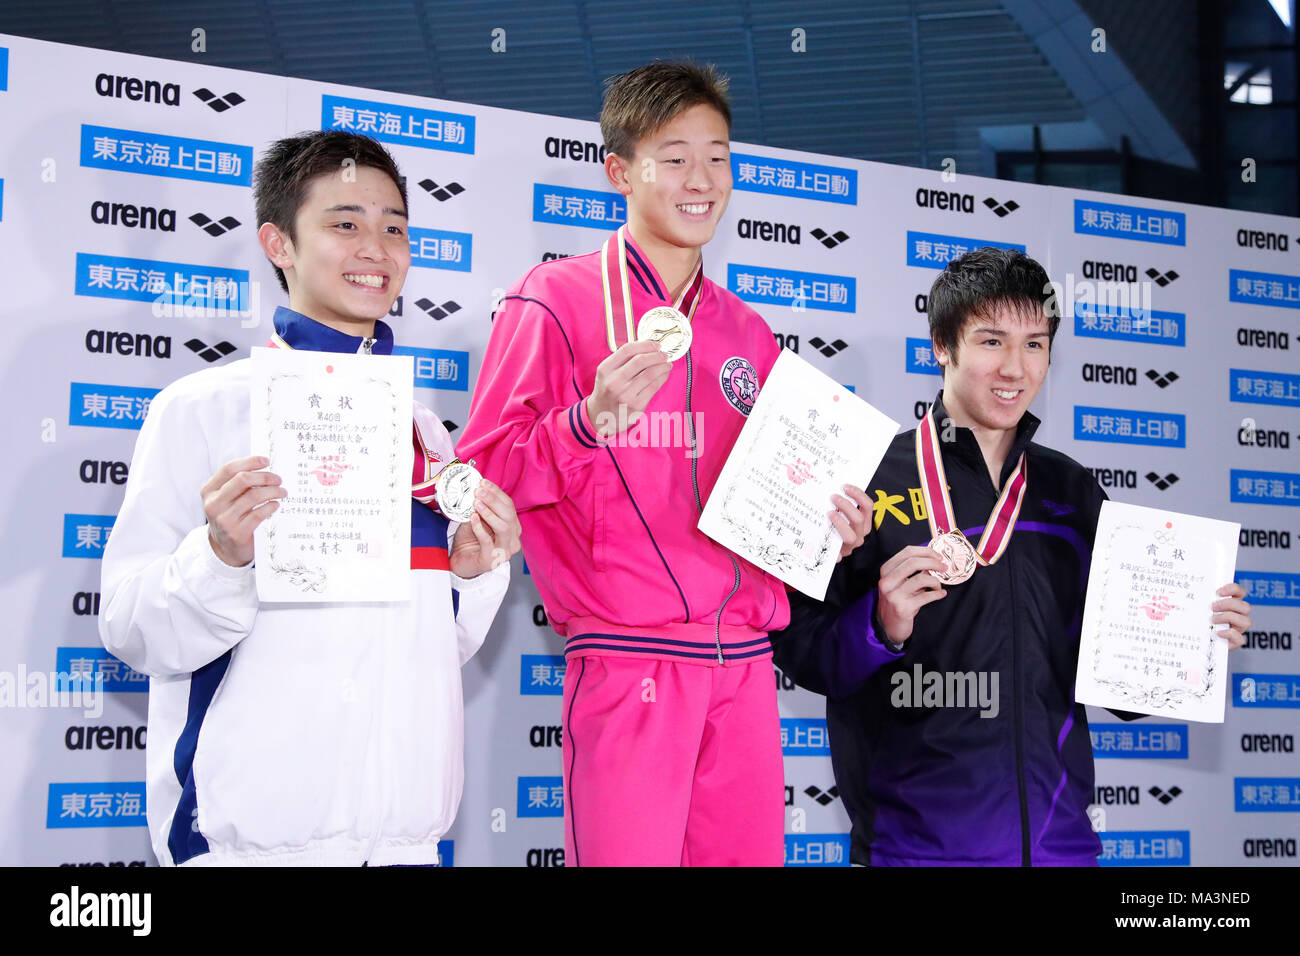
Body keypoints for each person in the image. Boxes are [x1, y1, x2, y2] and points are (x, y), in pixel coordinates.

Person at [457, 61, 870, 866]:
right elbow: (481, 483)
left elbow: (759, 500)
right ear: (620, 170)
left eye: (718, 155)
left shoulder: (747, 332)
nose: (702, 179)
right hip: (628, 658)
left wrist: (822, 531)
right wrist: (587, 422)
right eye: (674, 156)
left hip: (746, 669)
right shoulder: (553, 300)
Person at [99, 130, 520, 867]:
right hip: (251, 851)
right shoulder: (201, 410)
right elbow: (133, 629)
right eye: (345, 223)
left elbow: (435, 650)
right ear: (280, 244)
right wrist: (221, 557)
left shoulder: (424, 434)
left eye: (395, 228)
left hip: (403, 849)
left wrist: (471, 574)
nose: (376, 249)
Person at [770, 247, 1253, 866]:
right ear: (943, 345)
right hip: (918, 850)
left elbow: (1123, 690)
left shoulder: (1072, 493)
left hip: (1063, 848)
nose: (1015, 368)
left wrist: (1195, 636)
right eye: (991, 341)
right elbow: (804, 654)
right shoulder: (863, 479)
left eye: (1035, 344)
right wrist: (878, 627)